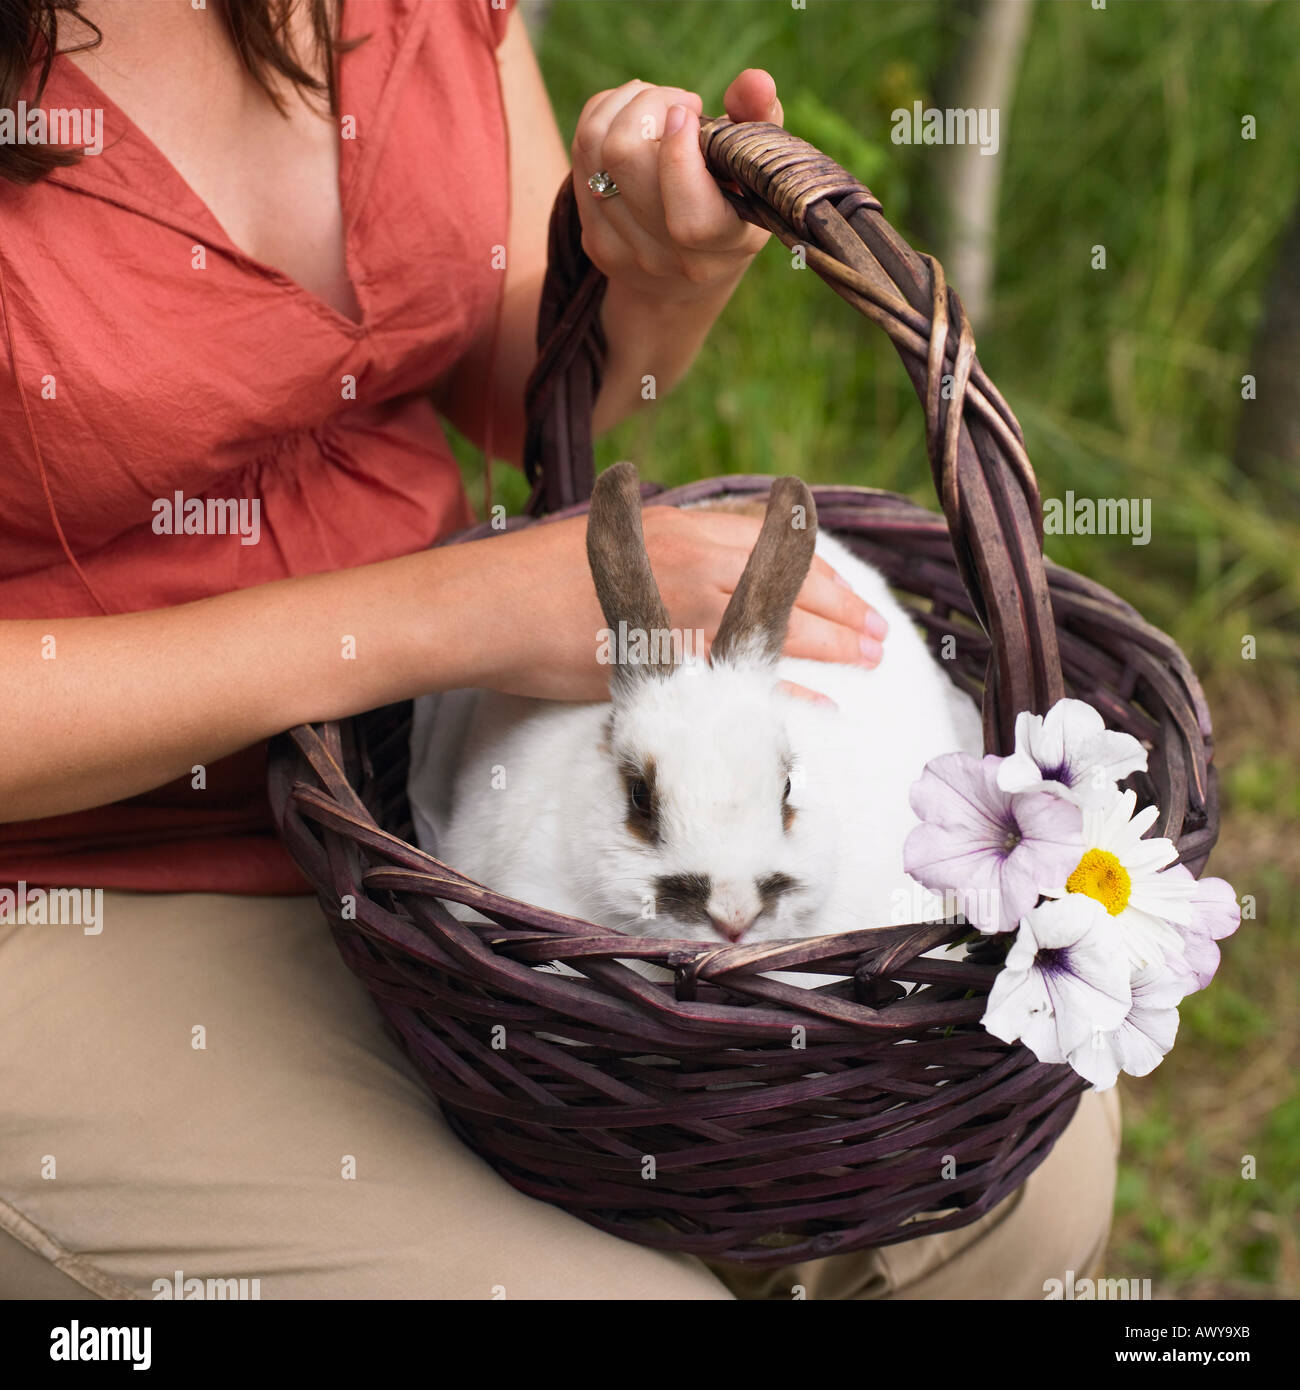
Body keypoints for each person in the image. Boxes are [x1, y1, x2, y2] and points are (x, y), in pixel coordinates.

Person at [0, 0, 1117, 1299]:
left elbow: (507, 363)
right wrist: (446, 615)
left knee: (1013, 1193)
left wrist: (645, 283)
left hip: (400, 809)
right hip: (76, 881)